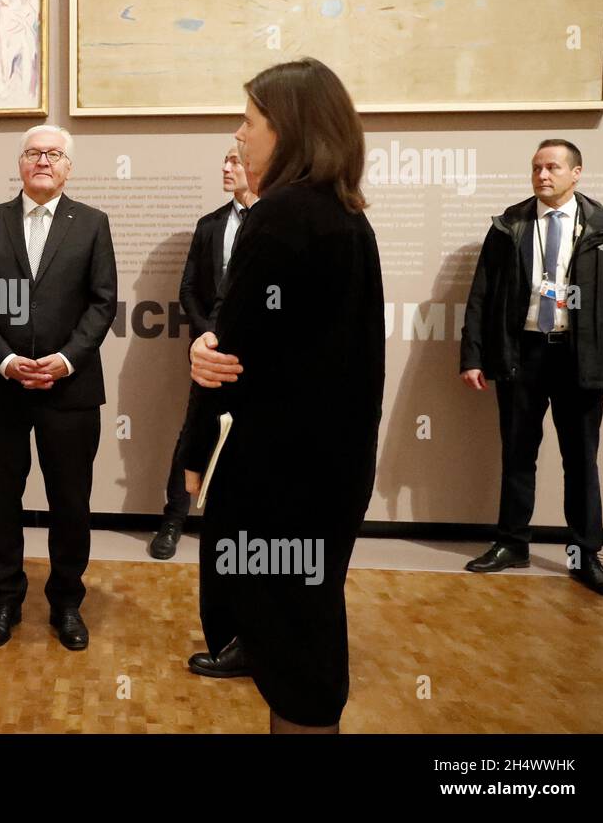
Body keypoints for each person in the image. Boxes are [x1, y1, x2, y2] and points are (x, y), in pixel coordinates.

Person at [184, 58, 385, 734]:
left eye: (249, 121)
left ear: (289, 129)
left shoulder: (280, 217)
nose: (239, 135)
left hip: (282, 480)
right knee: (309, 628)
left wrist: (205, 353)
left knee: (294, 659)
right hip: (331, 472)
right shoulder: (344, 217)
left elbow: (231, 353)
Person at [0, 124, 118, 651]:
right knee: (0, 498)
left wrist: (67, 360)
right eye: (33, 153)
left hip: (69, 390)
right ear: (20, 163)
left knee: (70, 499)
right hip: (0, 387)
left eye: (54, 154)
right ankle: (5, 598)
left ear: (68, 167)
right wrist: (4, 359)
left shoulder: (93, 224)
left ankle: (67, 601)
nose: (43, 161)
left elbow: (103, 303)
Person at [459, 140, 603, 597]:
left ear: (577, 173)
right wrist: (473, 356)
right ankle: (512, 544)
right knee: (517, 455)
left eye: (553, 167)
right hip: (522, 353)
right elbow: (481, 296)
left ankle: (584, 555)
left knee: (581, 461)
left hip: (579, 357)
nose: (543, 175)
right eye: (536, 168)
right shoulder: (508, 226)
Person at [150, 143, 257, 560]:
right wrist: (205, 335)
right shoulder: (209, 225)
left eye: (233, 160)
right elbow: (189, 288)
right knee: (194, 431)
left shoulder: (275, 223)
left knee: (252, 438)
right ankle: (173, 520)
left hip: (257, 355)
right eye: (225, 160)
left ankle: (241, 529)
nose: (226, 167)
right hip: (209, 352)